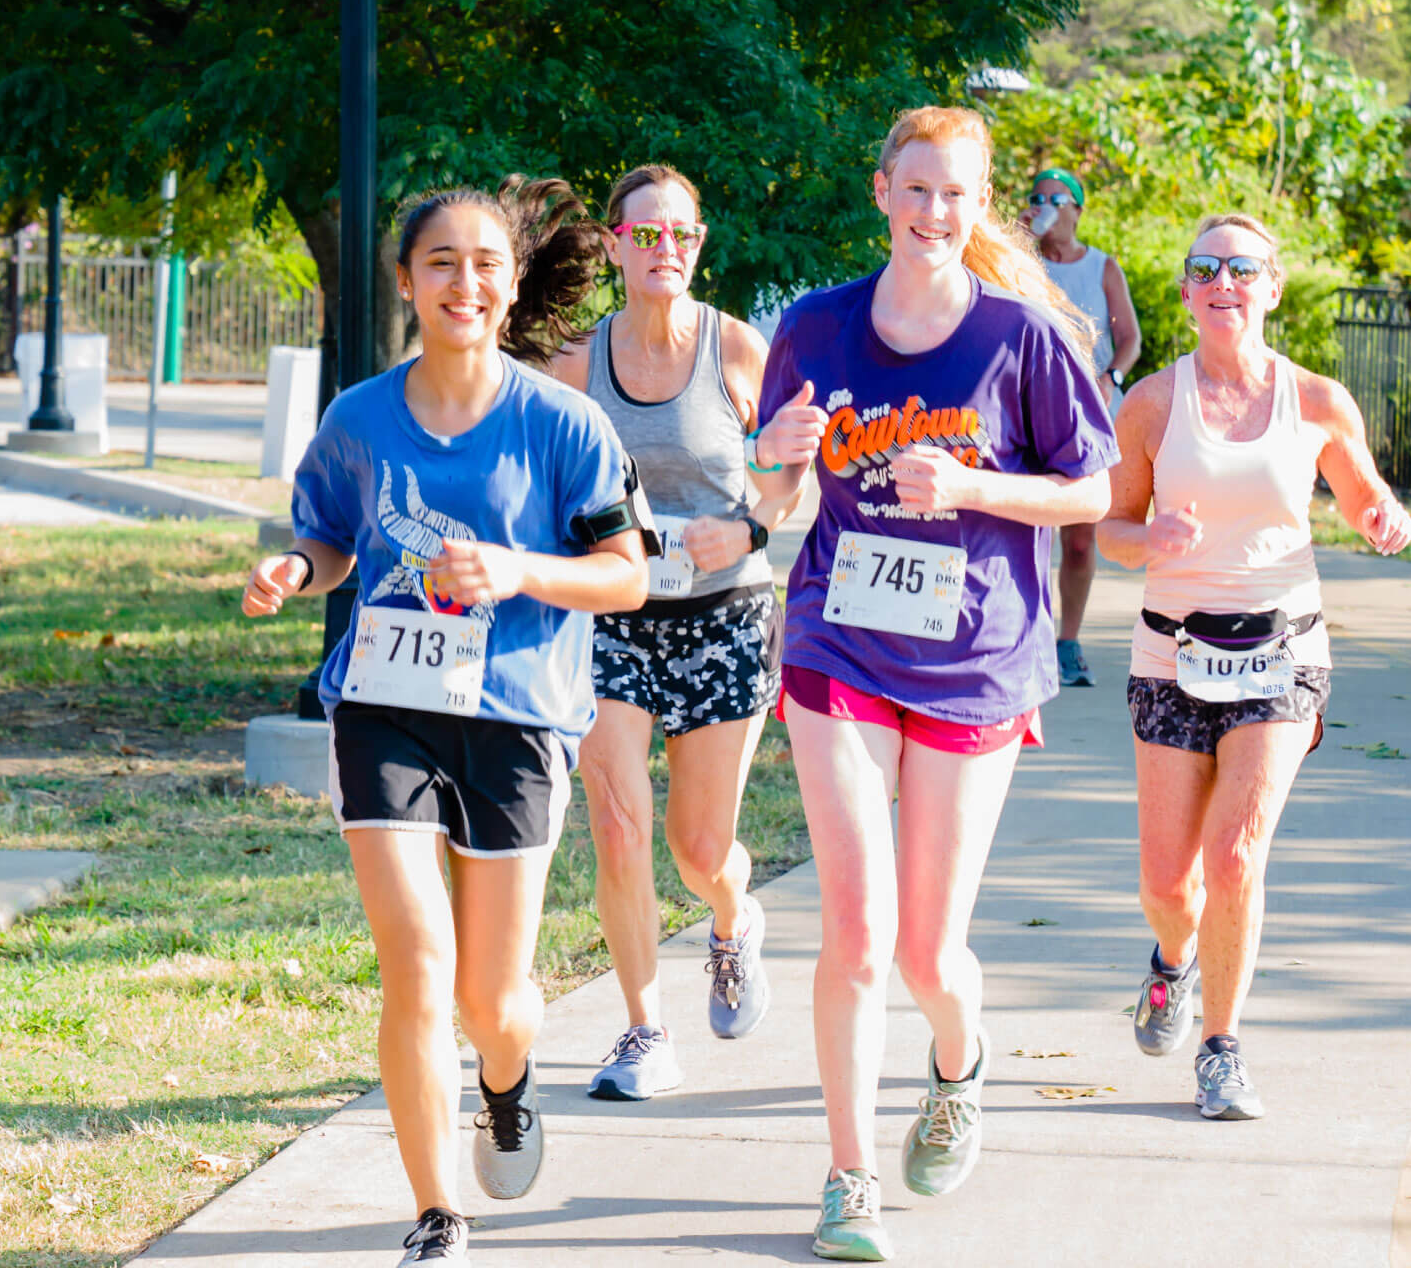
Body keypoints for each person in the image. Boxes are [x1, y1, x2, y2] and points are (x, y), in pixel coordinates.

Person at [241, 181, 650, 1268]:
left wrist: (517, 567)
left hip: (515, 718)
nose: (463, 283)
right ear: (408, 281)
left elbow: (627, 576)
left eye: (483, 263)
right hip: (384, 705)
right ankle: (435, 1212)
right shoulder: (360, 417)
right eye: (440, 263)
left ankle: (508, 1079)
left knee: (493, 999)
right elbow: (329, 534)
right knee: (417, 958)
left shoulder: (564, 422)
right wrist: (298, 567)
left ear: (511, 283)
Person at [752, 106, 1117, 1261]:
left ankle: (958, 1062)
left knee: (927, 954)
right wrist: (779, 462)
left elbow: (1092, 495)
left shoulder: (1024, 336)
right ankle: (847, 1176)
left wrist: (972, 488)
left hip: (977, 659)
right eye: (915, 190)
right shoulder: (813, 329)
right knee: (856, 934)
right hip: (839, 643)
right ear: (881, 192)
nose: (933, 213)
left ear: (979, 203)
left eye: (956, 193)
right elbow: (767, 502)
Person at [1095, 213, 1411, 1123]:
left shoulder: (1317, 401)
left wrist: (1386, 520)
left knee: (1235, 856)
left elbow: (1366, 499)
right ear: (1188, 291)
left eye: (1243, 269)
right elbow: (1108, 529)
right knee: (1168, 884)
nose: (1223, 283)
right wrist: (1145, 535)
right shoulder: (1153, 404)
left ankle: (1222, 1048)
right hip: (1171, 653)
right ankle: (1172, 961)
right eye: (1205, 269)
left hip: (1282, 650)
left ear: (1272, 287)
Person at [549, 164, 795, 1100]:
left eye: (682, 235)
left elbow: (789, 472)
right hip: (611, 616)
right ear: (615, 244)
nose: (665, 250)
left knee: (699, 852)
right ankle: (644, 1031)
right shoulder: (576, 361)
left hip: (724, 616)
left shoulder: (737, 350)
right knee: (616, 823)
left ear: (700, 245)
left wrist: (753, 523)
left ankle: (732, 919)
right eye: (646, 234)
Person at [1019, 168, 1142, 690]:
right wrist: (1016, 242)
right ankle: (1024, 639)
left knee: (1078, 539)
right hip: (1027, 409)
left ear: (1077, 210)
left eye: (1056, 198)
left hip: (1086, 414)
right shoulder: (1019, 261)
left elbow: (1130, 338)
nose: (1046, 205)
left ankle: (1068, 643)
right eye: (1036, 198)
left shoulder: (1102, 267)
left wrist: (1111, 375)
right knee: (1022, 531)